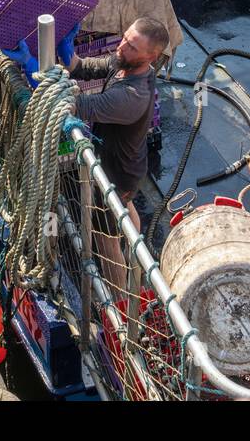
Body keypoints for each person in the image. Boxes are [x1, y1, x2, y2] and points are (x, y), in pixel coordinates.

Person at [58, 16, 169, 290]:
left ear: (150, 57)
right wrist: (65, 50)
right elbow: (82, 68)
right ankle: (136, 245)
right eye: (125, 39)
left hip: (117, 173)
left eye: (132, 47)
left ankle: (119, 305)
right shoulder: (124, 62)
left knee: (106, 241)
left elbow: (76, 105)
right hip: (131, 164)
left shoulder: (131, 96)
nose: (122, 47)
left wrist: (34, 69)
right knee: (126, 208)